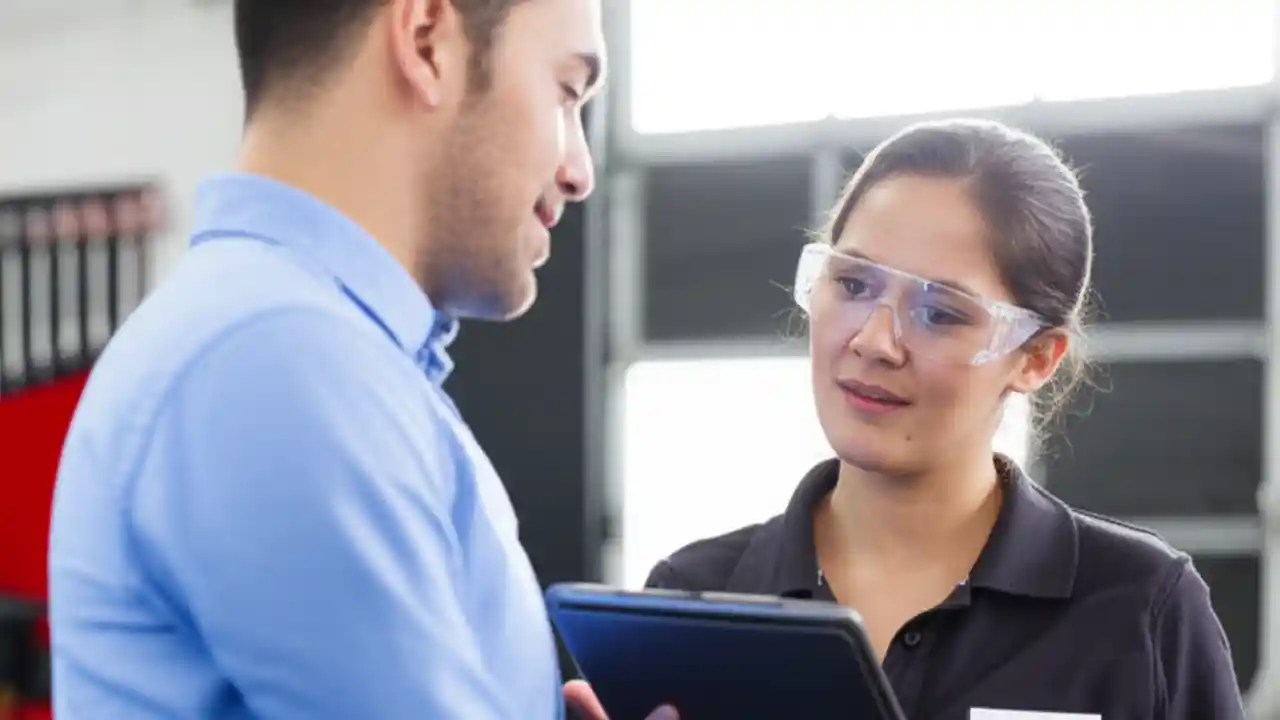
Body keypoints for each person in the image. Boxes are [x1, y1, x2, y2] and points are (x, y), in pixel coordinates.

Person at [48, 1, 672, 718]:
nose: (580, 170)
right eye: (565, 92)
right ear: (427, 40)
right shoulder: (278, 361)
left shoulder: (307, 348)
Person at [647, 119, 1244, 719]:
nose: (876, 341)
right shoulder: (694, 600)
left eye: (940, 313)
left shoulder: (1138, 612)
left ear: (1036, 358)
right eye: (852, 283)